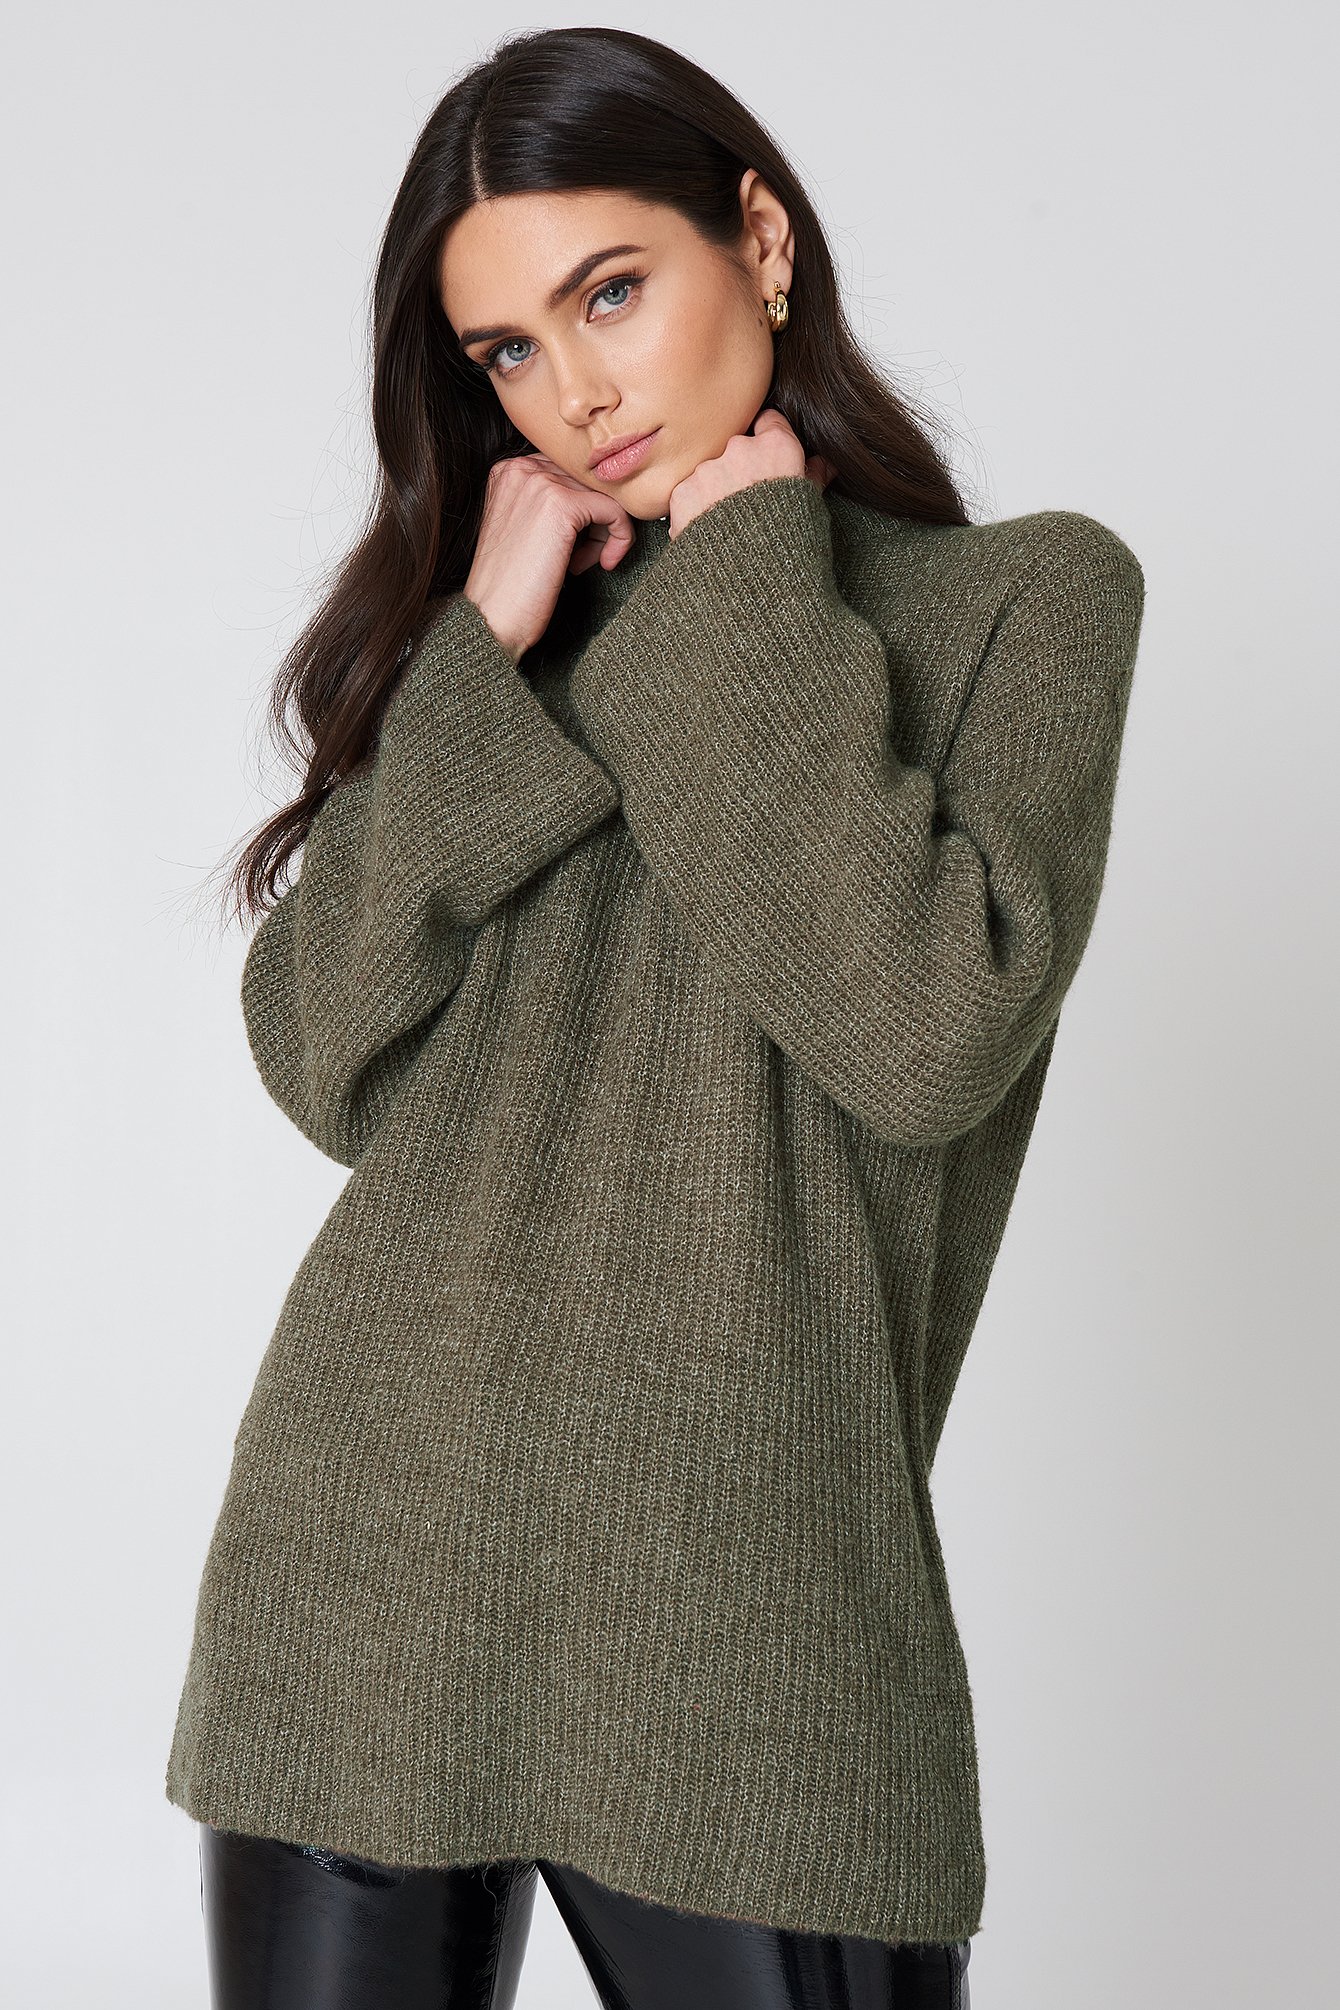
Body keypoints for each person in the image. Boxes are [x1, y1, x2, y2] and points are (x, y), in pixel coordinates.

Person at [166, 25, 1144, 2009]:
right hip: (363, 1579)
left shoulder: (1023, 606)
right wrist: (473, 650)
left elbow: (920, 1035)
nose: (577, 390)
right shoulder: (509, 643)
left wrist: (750, 579)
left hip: (754, 1627)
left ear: (758, 241)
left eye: (608, 291)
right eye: (509, 350)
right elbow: (319, 1053)